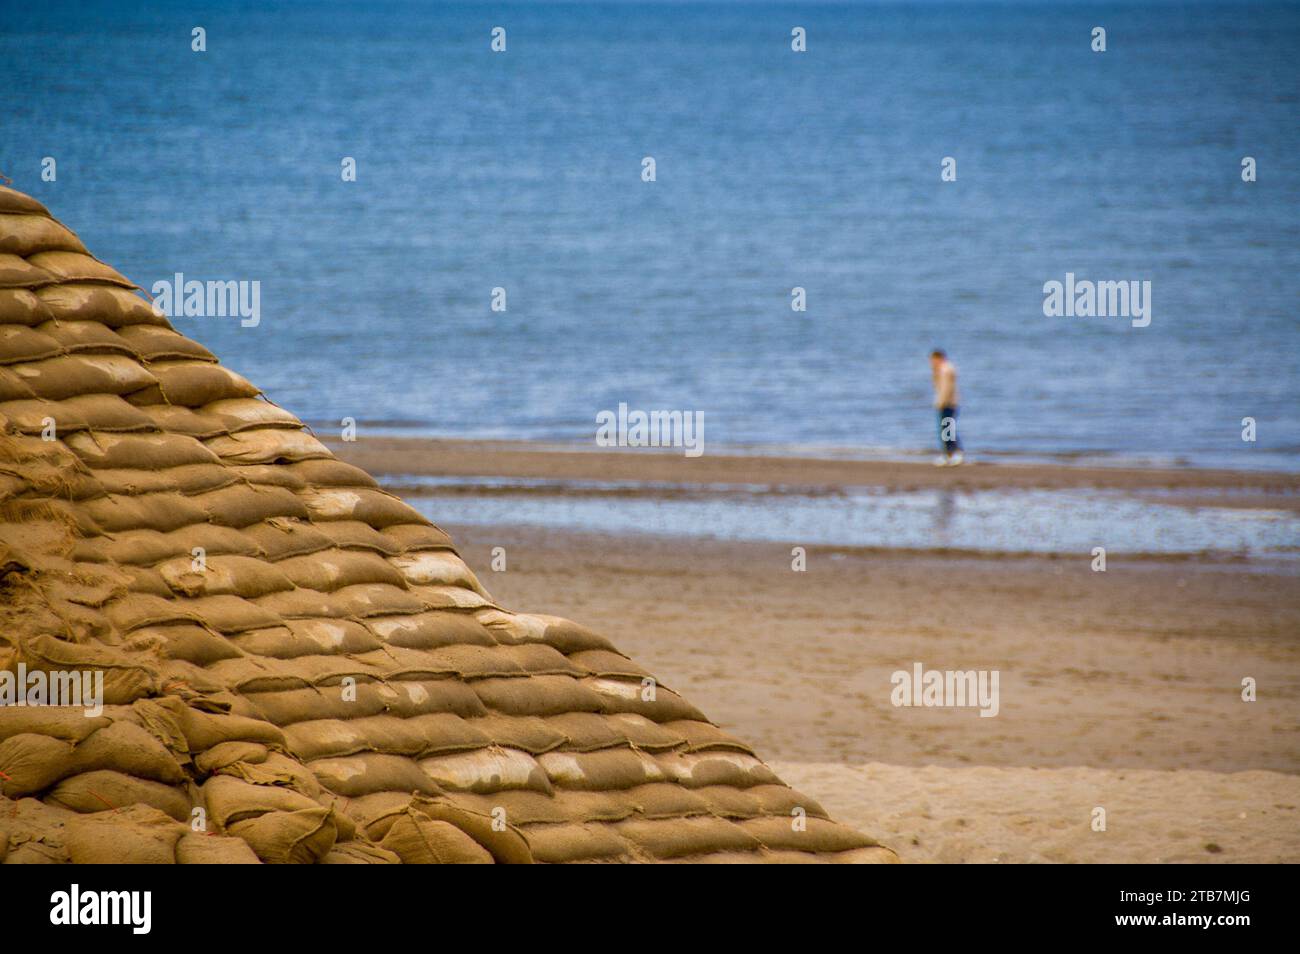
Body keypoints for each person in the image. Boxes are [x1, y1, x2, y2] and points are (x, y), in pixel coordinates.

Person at [930, 349, 963, 465]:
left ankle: (953, 453)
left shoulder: (946, 370)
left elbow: (946, 388)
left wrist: (941, 402)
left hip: (948, 403)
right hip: (949, 402)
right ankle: (949, 454)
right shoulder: (943, 369)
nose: (932, 363)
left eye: (933, 360)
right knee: (947, 429)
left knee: (948, 429)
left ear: (939, 358)